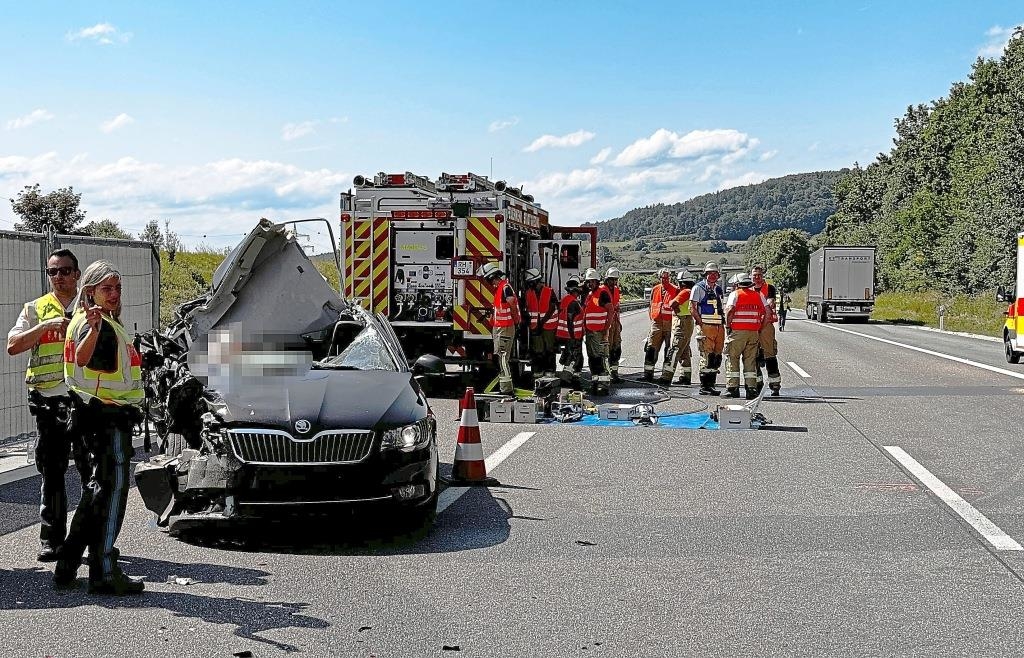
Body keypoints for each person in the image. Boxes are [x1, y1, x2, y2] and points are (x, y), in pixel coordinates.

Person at [54, 260, 145, 595]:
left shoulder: (96, 320)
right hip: (108, 419)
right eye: (107, 288)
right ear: (89, 291)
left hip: (94, 417)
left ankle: (67, 561)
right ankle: (104, 569)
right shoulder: (95, 324)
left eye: (118, 288)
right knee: (111, 495)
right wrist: (94, 330)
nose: (115, 294)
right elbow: (81, 358)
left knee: (97, 492)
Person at [6, 248, 91, 562]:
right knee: (52, 473)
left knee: (90, 473)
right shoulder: (35, 309)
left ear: (77, 274)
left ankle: (91, 538)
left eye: (66, 270)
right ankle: (52, 540)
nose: (59, 277)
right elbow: (13, 346)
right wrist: (42, 328)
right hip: (49, 403)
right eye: (53, 272)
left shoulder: (91, 306)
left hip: (85, 403)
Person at [723, 273, 768, 399]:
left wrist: (728, 326)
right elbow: (767, 313)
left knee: (732, 358)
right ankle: (751, 389)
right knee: (750, 360)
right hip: (753, 332)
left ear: (738, 284)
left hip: (737, 332)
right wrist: (760, 327)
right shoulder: (758, 295)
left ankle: (733, 388)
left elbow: (730, 310)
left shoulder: (735, 294)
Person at [480, 262, 521, 394]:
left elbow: (512, 304)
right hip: (501, 329)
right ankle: (505, 386)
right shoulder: (501, 289)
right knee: (501, 358)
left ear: (494, 277)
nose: (490, 283)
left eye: (490, 280)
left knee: (503, 358)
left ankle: (506, 389)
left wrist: (516, 321)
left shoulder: (505, 287)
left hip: (505, 329)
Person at [690, 262, 726, 396]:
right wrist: (700, 323)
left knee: (716, 357)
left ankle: (711, 384)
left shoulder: (718, 289)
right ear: (705, 274)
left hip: (718, 327)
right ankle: (705, 386)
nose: (712, 275)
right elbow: (692, 308)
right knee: (707, 356)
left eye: (715, 273)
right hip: (706, 326)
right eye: (710, 273)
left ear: (718, 275)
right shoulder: (698, 288)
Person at [751, 264, 782, 396]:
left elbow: (770, 303)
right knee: (753, 354)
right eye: (754, 275)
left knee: (769, 354)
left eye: (759, 275)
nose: (757, 278)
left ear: (762, 276)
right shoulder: (748, 288)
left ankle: (775, 384)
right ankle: (757, 383)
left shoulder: (769, 288)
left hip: (766, 325)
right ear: (751, 276)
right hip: (752, 324)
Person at [643, 268, 678, 383]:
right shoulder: (655, 289)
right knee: (651, 348)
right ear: (659, 278)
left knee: (669, 350)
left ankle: (665, 376)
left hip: (669, 323)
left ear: (670, 278)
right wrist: (652, 319)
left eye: (667, 278)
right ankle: (648, 374)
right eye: (663, 278)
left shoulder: (675, 290)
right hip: (656, 322)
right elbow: (651, 305)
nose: (665, 280)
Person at [523, 268, 558, 378]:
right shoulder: (528, 293)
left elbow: (552, 307)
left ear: (535, 281)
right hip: (535, 326)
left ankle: (550, 371)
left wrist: (541, 322)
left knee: (549, 349)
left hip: (548, 325)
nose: (529, 285)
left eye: (531, 282)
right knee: (538, 350)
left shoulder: (549, 291)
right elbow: (526, 308)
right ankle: (538, 372)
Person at [582, 268, 612, 395]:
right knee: (593, 359)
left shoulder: (602, 293)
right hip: (590, 332)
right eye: (588, 282)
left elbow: (610, 311)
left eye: (592, 282)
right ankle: (595, 382)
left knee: (600, 358)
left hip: (599, 332)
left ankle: (603, 385)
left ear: (597, 281)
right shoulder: (590, 295)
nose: (590, 284)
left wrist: (606, 329)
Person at [668, 270, 696, 385]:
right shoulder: (693, 291)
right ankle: (685, 376)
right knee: (684, 350)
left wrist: (676, 310)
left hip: (682, 322)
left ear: (682, 283)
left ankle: (666, 376)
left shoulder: (685, 292)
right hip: (688, 321)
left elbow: (672, 304)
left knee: (675, 349)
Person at [556, 276, 585, 387]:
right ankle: (566, 378)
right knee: (574, 357)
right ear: (575, 291)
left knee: (573, 356)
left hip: (565, 334)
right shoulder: (573, 303)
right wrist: (573, 337)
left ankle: (574, 378)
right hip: (573, 336)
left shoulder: (565, 300)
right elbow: (569, 319)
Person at [603, 268, 623, 382]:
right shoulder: (602, 290)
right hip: (606, 323)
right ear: (607, 279)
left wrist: (618, 323)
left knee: (616, 347)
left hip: (615, 322)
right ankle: (606, 373)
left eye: (615, 280)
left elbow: (617, 307)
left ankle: (614, 372)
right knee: (607, 349)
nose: (614, 282)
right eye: (612, 280)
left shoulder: (616, 290)